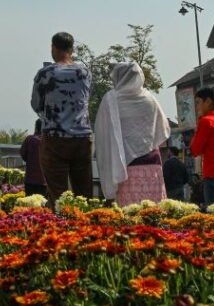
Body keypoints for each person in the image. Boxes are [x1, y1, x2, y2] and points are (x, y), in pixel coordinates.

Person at [94, 61, 171, 206]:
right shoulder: (150, 99)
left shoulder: (111, 99)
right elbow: (163, 128)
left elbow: (102, 134)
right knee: (154, 215)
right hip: (152, 163)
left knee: (130, 217)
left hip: (124, 167)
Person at [31, 31, 93, 205]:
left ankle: (61, 226)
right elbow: (86, 98)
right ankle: (87, 226)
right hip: (82, 137)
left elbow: (36, 104)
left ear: (53, 48)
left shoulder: (45, 74)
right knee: (83, 192)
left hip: (54, 137)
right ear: (72, 49)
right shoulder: (85, 72)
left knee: (58, 192)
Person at [19, 120, 47, 197]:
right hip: (44, 180)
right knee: (42, 206)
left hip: (30, 179)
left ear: (35, 127)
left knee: (29, 205)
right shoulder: (47, 140)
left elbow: (23, 154)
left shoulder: (29, 139)